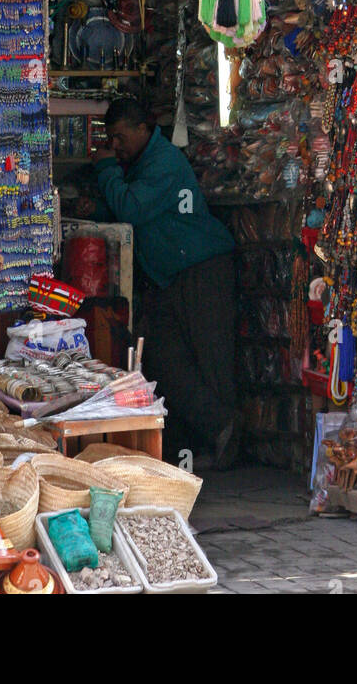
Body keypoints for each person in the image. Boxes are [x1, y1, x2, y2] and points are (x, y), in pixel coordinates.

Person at [75, 97, 239, 468]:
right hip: (171, 276)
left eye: (119, 137)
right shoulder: (140, 164)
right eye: (109, 139)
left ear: (142, 130)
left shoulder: (162, 161)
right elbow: (131, 211)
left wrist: (104, 170)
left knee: (211, 360)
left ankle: (226, 442)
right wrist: (96, 208)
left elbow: (132, 208)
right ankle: (208, 434)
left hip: (202, 269)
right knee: (165, 359)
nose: (114, 146)